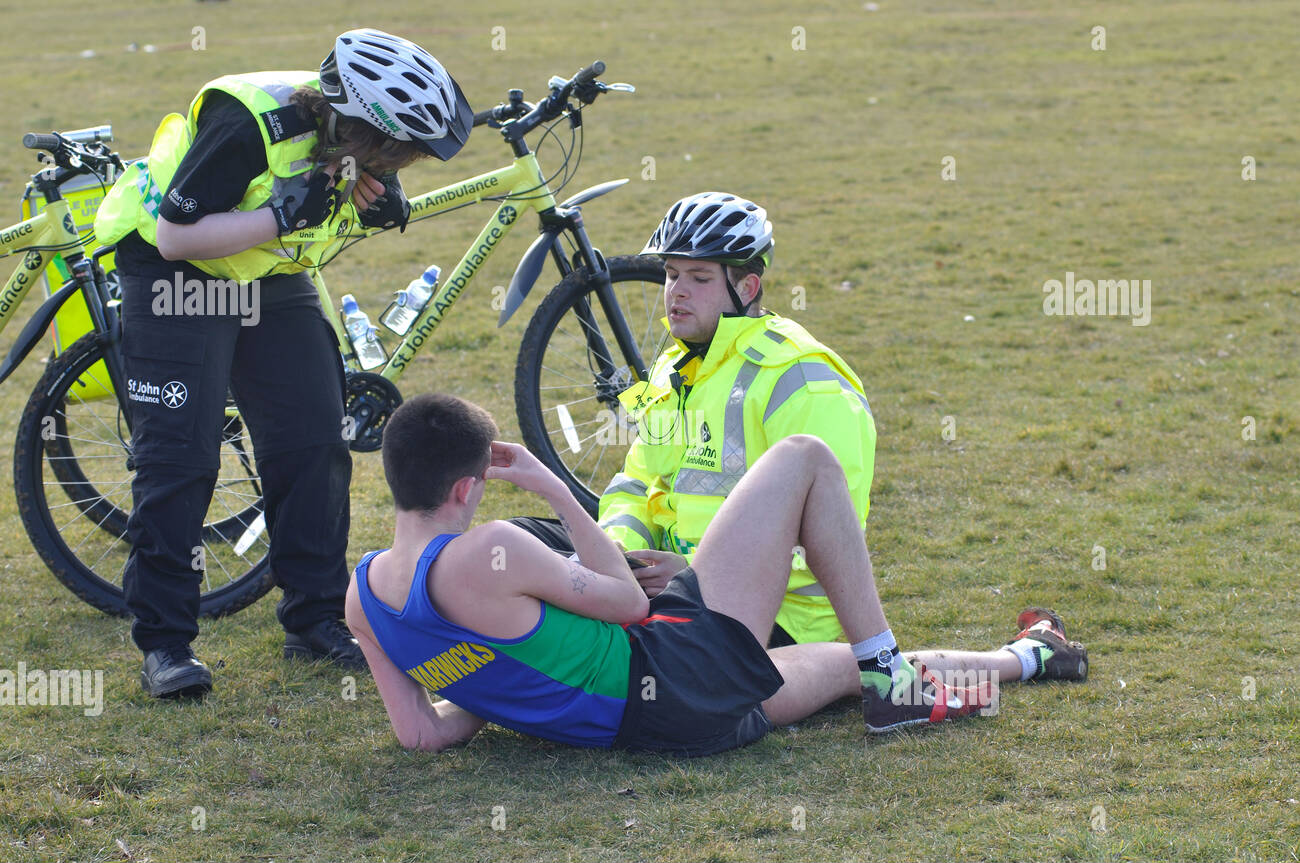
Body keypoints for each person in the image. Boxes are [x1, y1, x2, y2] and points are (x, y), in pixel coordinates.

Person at [515, 190, 1090, 688]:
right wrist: (618, 554)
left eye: (698, 278)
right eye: (670, 275)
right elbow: (636, 481)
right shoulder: (673, 370)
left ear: (748, 285)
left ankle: (1028, 657)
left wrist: (695, 578)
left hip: (783, 617)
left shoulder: (802, 379)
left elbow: (831, 533)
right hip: (676, 589)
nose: (675, 294)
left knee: (813, 679)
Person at [344, 394, 1087, 756]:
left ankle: (1030, 655)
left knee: (845, 665)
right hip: (675, 670)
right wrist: (547, 484)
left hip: (675, 727)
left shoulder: (362, 596)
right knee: (803, 456)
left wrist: (495, 675)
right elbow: (630, 602)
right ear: (469, 488)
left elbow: (420, 732)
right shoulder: (487, 550)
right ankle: (897, 678)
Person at [92, 29, 474, 698]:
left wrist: (380, 200)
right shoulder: (247, 126)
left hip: (266, 277)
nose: (403, 164)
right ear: (359, 129)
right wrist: (278, 215)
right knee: (181, 458)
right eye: (397, 154)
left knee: (313, 442)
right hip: (174, 267)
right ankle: (166, 643)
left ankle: (316, 617)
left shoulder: (346, 136)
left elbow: (335, 202)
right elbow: (176, 236)